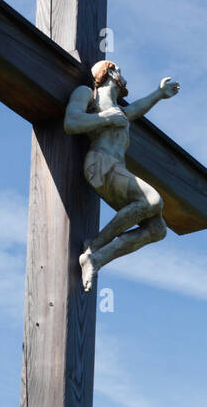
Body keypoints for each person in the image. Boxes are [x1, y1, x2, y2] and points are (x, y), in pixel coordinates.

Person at [64, 60, 180, 292]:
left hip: (117, 168)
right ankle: (94, 246)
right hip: (100, 163)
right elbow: (71, 122)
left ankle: (96, 258)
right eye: (120, 71)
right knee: (153, 200)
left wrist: (158, 94)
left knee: (157, 229)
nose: (123, 76)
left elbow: (134, 110)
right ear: (110, 71)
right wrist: (105, 118)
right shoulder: (88, 94)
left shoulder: (118, 109)